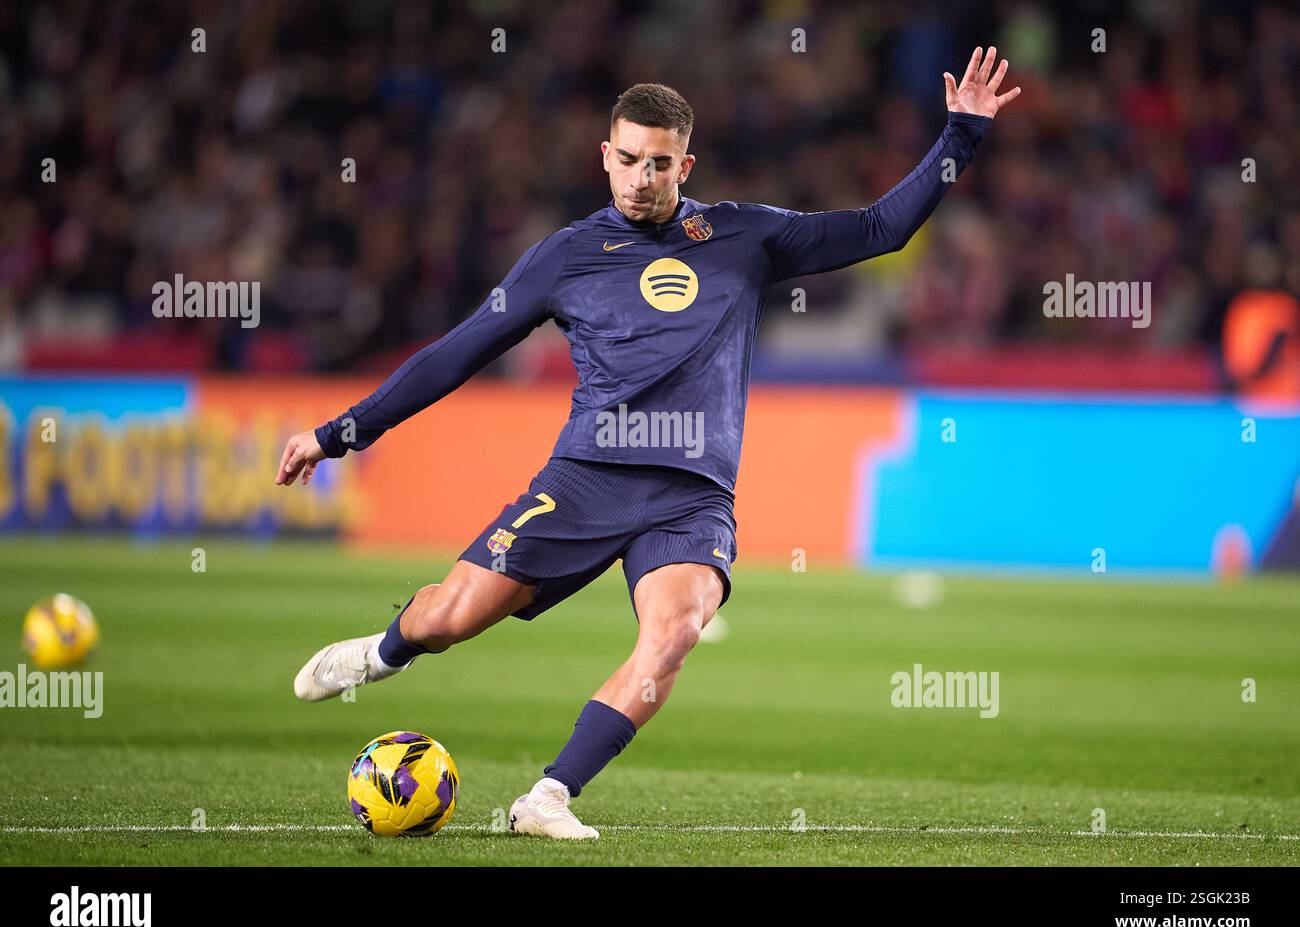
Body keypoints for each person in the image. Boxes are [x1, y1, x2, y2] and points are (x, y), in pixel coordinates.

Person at [276, 48, 1019, 840]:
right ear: (605, 156)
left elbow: (880, 228)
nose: (640, 178)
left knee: (676, 632)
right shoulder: (563, 257)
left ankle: (549, 796)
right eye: (627, 160)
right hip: (587, 476)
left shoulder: (743, 235)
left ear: (684, 164)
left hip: (692, 493)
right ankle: (382, 654)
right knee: (448, 622)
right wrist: (337, 434)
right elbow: (455, 355)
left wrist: (961, 137)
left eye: (658, 165)